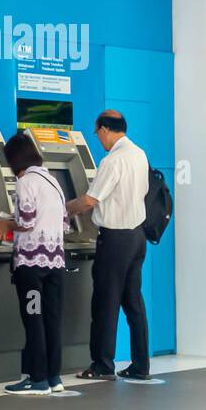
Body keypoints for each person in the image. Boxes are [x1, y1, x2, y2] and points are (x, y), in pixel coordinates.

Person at [67, 109, 151, 380]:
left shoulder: (112, 160)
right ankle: (140, 366)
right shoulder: (140, 154)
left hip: (115, 240)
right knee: (133, 303)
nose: (98, 139)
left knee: (105, 303)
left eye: (97, 133)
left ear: (104, 129)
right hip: (137, 238)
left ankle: (103, 365)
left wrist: (61, 208)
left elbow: (90, 200)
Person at [0, 131, 68, 395]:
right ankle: (54, 377)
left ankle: (37, 380)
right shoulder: (53, 181)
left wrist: (3, 224)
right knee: (51, 319)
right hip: (55, 264)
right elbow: (65, 223)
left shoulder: (26, 181)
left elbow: (25, 221)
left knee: (33, 319)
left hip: (31, 267)